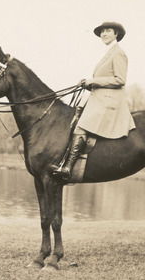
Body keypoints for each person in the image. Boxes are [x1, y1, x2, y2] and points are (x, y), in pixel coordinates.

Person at [51, 21, 136, 181]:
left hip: (110, 101)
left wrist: (93, 81)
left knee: (82, 126)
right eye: (102, 32)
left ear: (116, 34)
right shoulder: (109, 53)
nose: (104, 34)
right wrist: (88, 84)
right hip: (100, 97)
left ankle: (68, 167)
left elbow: (120, 79)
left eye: (108, 31)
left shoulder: (118, 53)